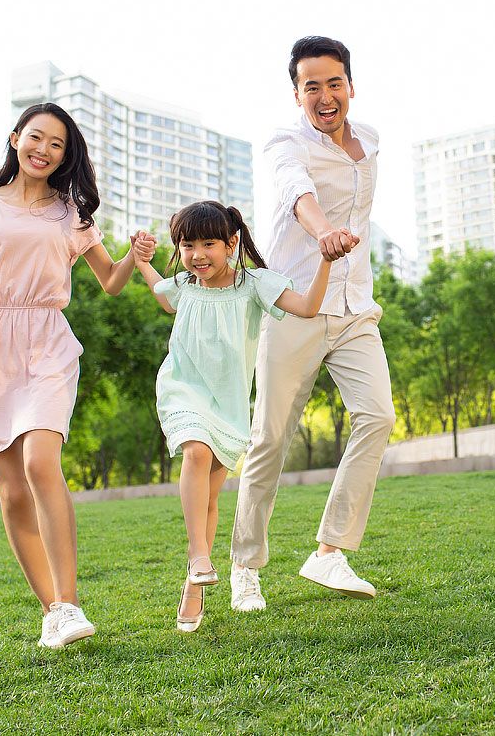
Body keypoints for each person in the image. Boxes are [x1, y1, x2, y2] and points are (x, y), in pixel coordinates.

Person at [0, 103, 153, 649]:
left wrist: (134, 256)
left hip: (49, 340)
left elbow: (110, 282)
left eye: (56, 144)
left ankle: (70, 602)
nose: (44, 150)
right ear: (15, 138)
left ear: (64, 155)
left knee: (40, 462)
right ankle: (52, 610)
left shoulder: (70, 212)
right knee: (11, 493)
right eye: (36, 138)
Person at [230, 36, 397, 611]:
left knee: (378, 416)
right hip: (296, 305)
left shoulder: (370, 142)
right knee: (270, 438)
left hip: (354, 308)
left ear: (351, 85)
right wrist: (322, 230)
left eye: (334, 83)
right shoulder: (285, 142)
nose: (324, 97)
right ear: (296, 93)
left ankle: (329, 551)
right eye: (311, 87)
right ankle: (245, 567)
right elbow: (296, 192)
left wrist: (344, 243)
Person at [133, 200, 342, 632]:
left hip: (227, 405)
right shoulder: (186, 285)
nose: (197, 255)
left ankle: (194, 586)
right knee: (194, 454)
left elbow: (305, 307)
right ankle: (198, 557)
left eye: (208, 243)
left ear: (231, 242)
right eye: (187, 245)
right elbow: (163, 296)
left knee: (210, 497)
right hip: (182, 389)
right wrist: (141, 262)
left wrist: (325, 263)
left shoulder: (252, 285)